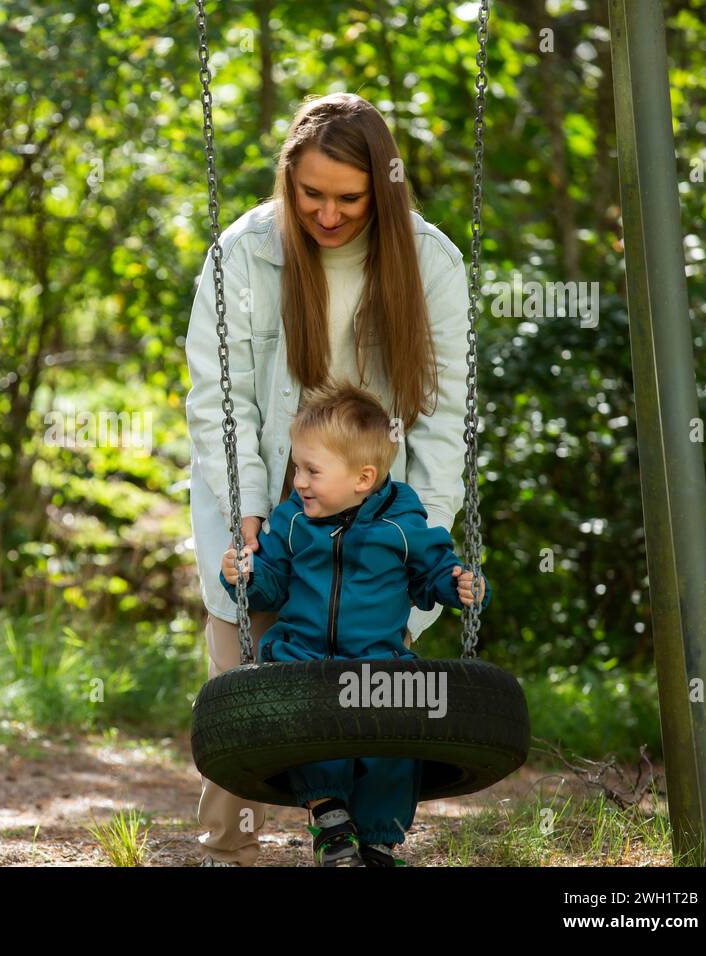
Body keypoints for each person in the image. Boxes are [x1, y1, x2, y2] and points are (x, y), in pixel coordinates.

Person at [185, 91, 474, 866]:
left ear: (384, 189)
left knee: (369, 677)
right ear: (288, 180)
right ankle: (229, 848)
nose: (329, 213)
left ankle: (354, 837)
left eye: (350, 198)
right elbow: (222, 398)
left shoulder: (431, 261)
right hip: (267, 480)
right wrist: (247, 509)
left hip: (376, 497)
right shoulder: (245, 253)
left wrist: (431, 528)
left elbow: (446, 417)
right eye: (311, 194)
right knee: (247, 669)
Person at [219, 382, 489, 866]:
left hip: (375, 656)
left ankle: (380, 840)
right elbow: (272, 586)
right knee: (308, 724)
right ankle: (329, 816)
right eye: (298, 468)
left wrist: (457, 586)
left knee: (393, 737)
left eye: (311, 471)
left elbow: (431, 569)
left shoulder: (401, 519)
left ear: (363, 478)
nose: (298, 481)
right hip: (302, 655)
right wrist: (244, 578)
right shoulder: (291, 521)